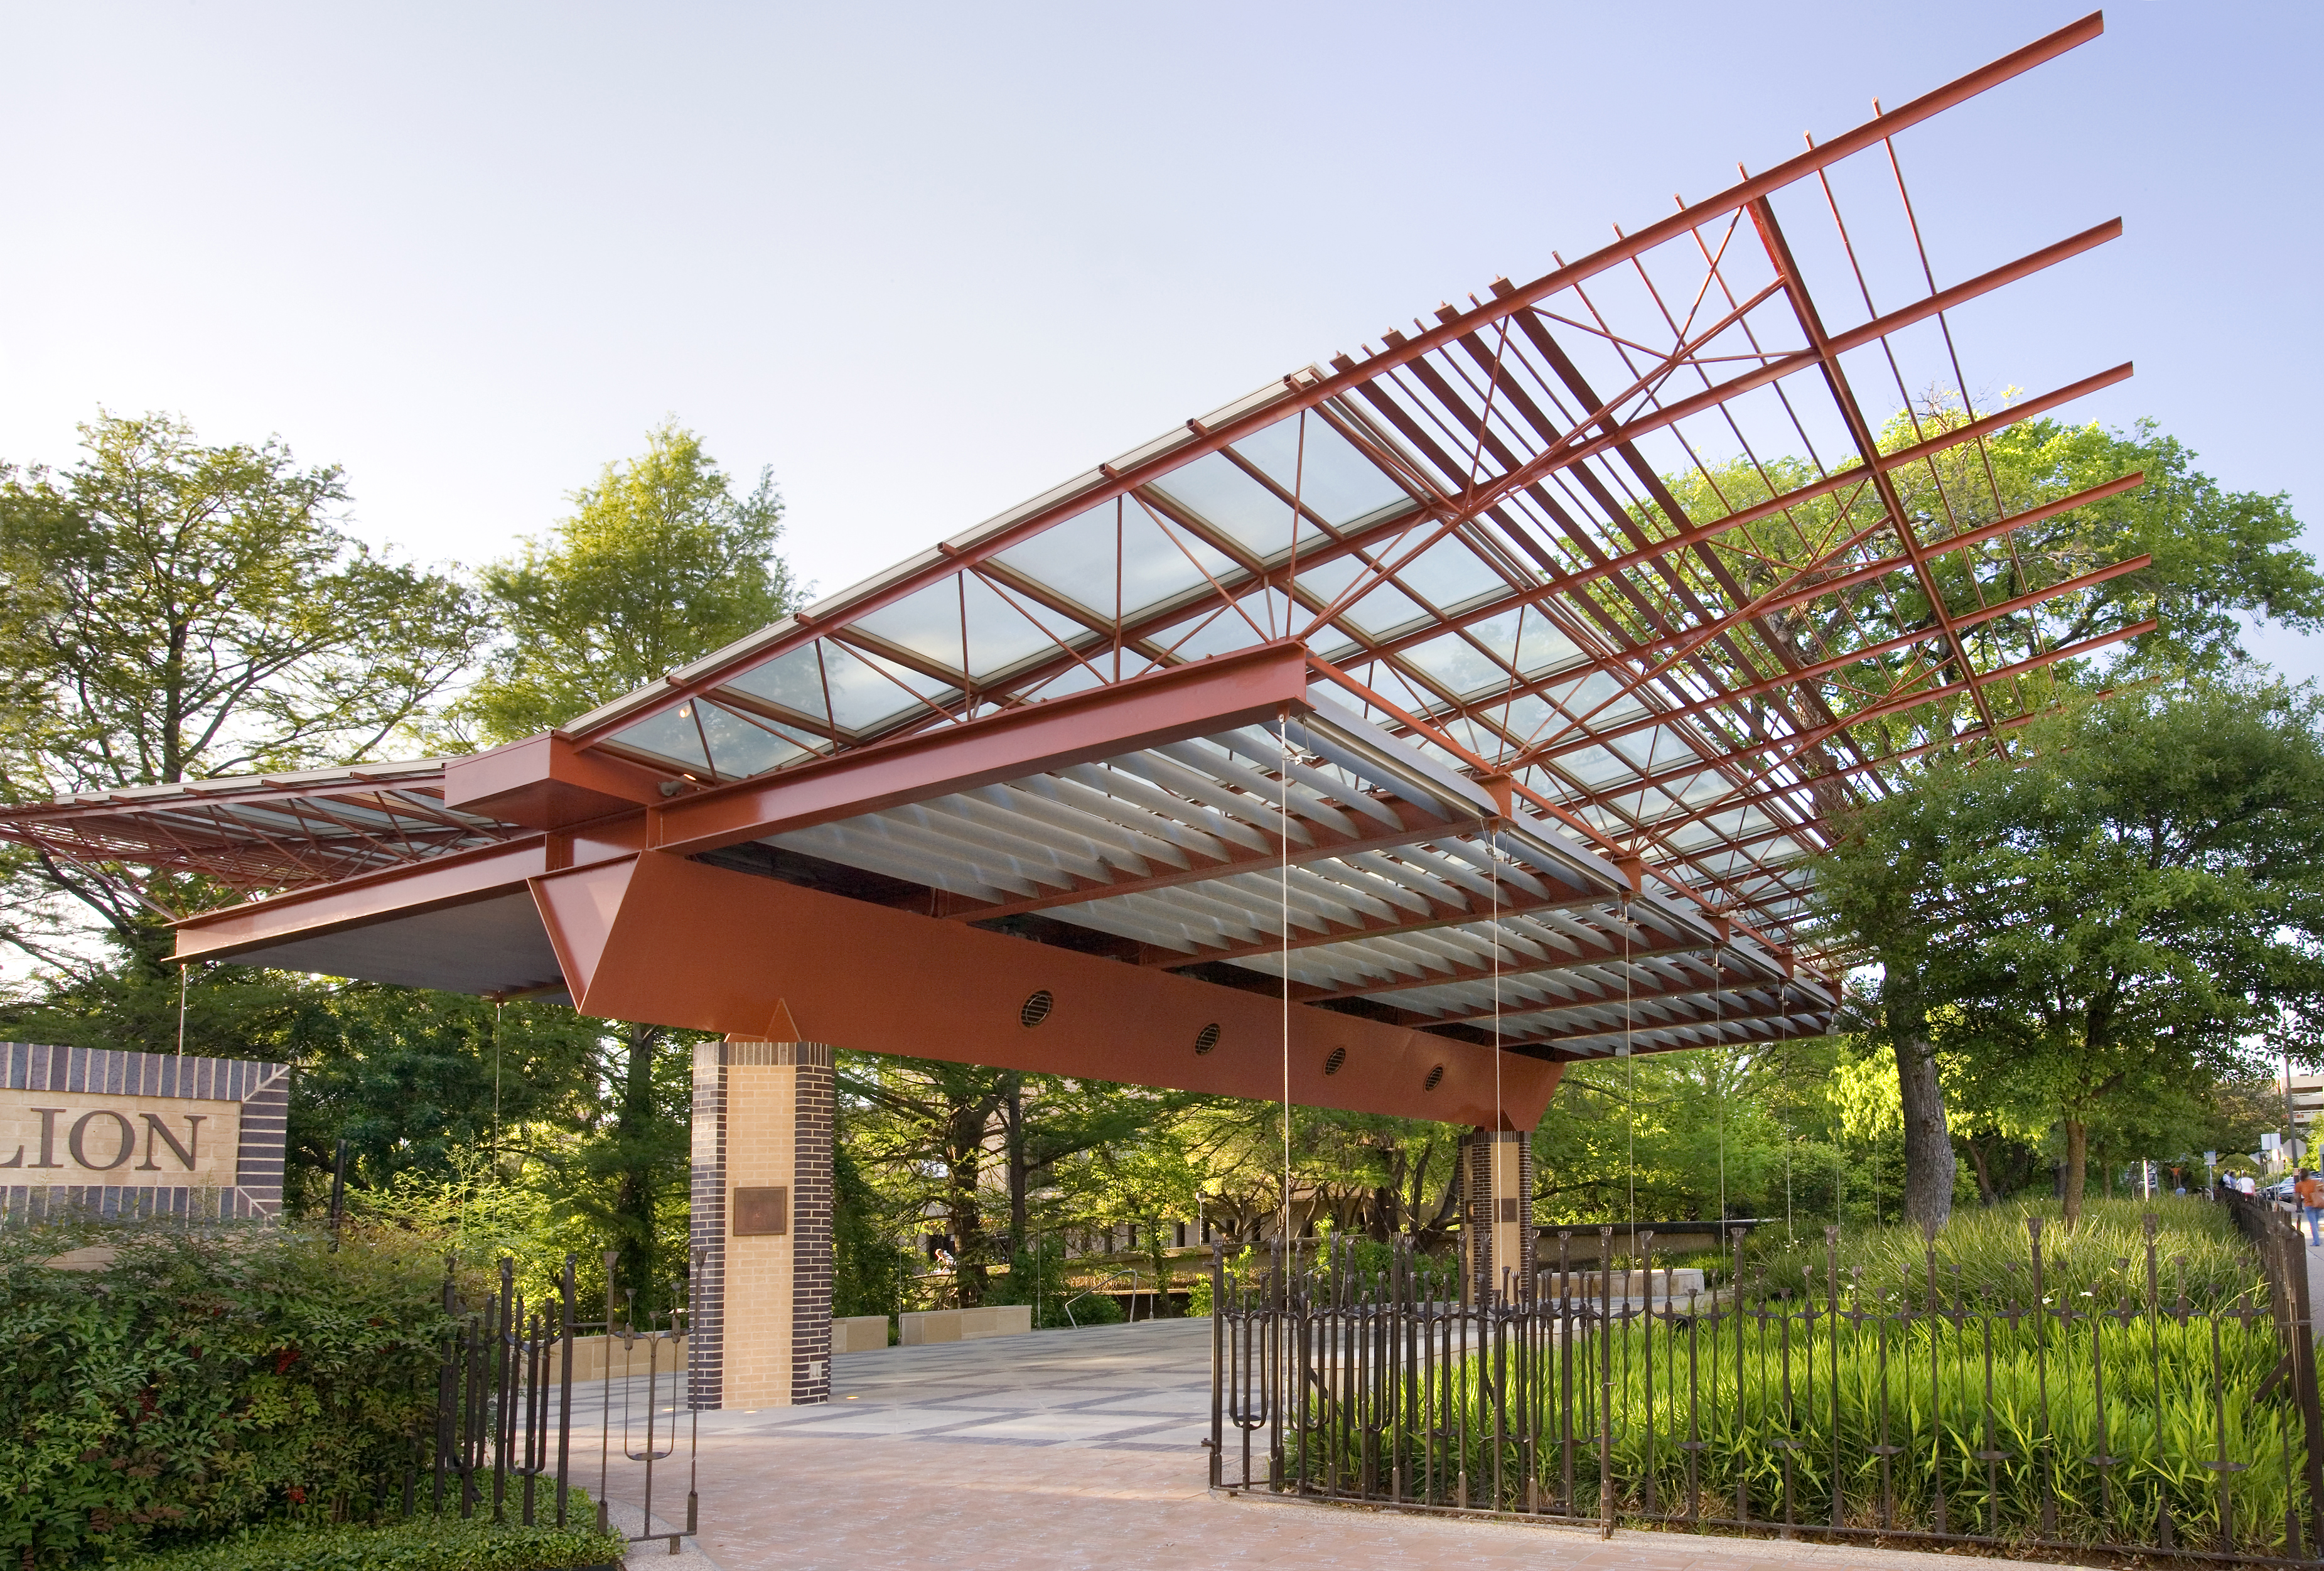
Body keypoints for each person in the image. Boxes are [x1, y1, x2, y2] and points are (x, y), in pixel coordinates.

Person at [2298, 1169, 2324, 1247]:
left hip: (2308, 1206)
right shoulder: (2315, 1182)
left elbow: (2297, 1196)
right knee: (2316, 1223)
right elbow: (2323, 1189)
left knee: (2313, 1224)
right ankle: (2318, 1239)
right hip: (2318, 1205)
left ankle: (2316, 1241)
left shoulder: (2300, 1185)